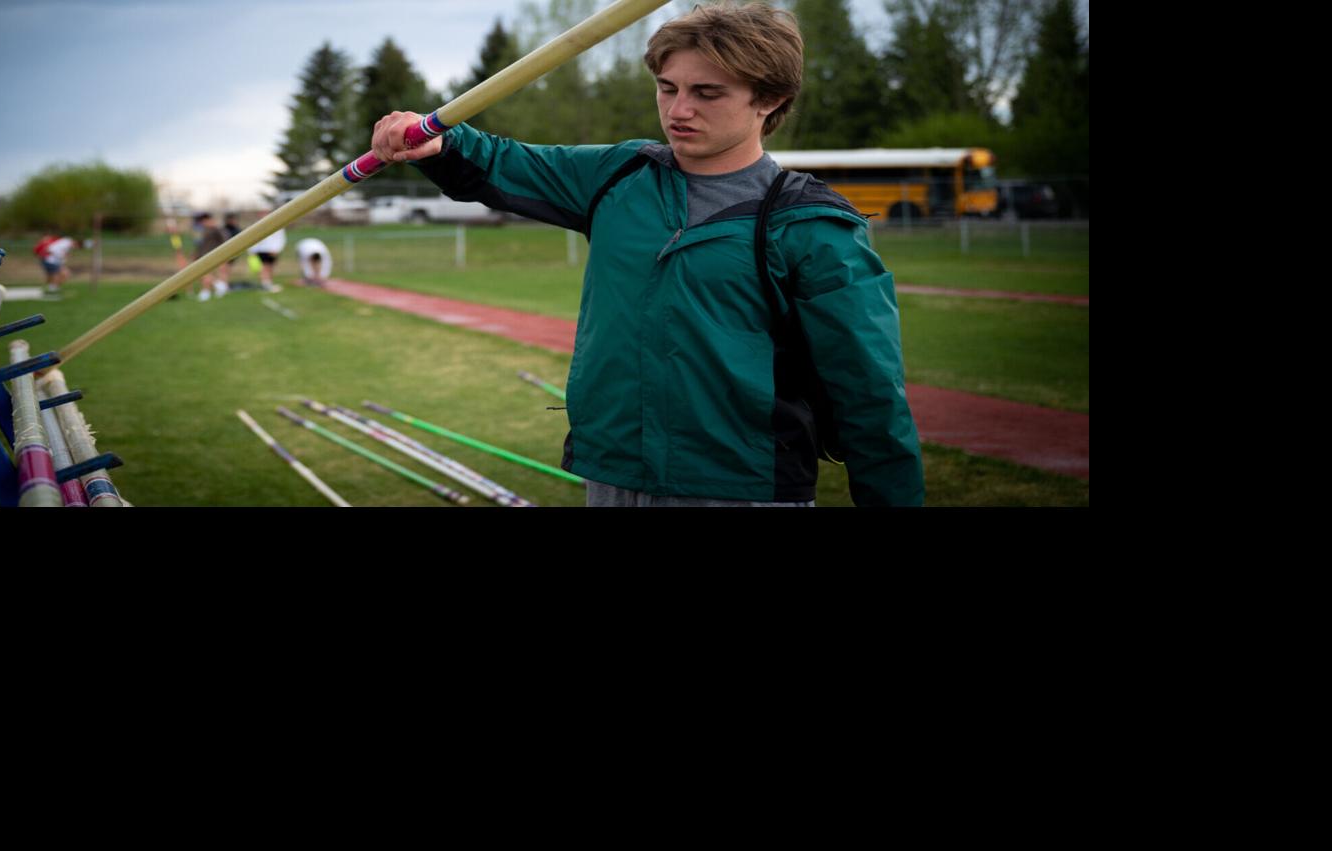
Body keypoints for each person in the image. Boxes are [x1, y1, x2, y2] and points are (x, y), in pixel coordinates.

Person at [370, 2, 923, 506]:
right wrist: (440, 144)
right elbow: (500, 162)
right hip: (612, 473)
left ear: (770, 99)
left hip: (739, 484)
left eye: (707, 93)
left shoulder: (811, 224)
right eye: (666, 87)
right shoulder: (619, 174)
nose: (679, 110)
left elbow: (870, 394)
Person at [191, 212, 230, 300]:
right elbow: (199, 244)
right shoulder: (201, 231)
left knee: (221, 272)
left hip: (218, 254)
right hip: (204, 255)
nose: (202, 223)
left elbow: (225, 239)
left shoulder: (217, 228)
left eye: (203, 221)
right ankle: (209, 289)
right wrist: (195, 254)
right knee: (204, 273)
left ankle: (219, 289)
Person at [249, 217, 286, 293]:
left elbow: (280, 239)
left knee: (270, 267)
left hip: (272, 250)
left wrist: (277, 249)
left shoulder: (278, 226)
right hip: (262, 250)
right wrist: (253, 250)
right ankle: (265, 284)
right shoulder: (259, 225)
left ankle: (268, 283)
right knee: (264, 267)